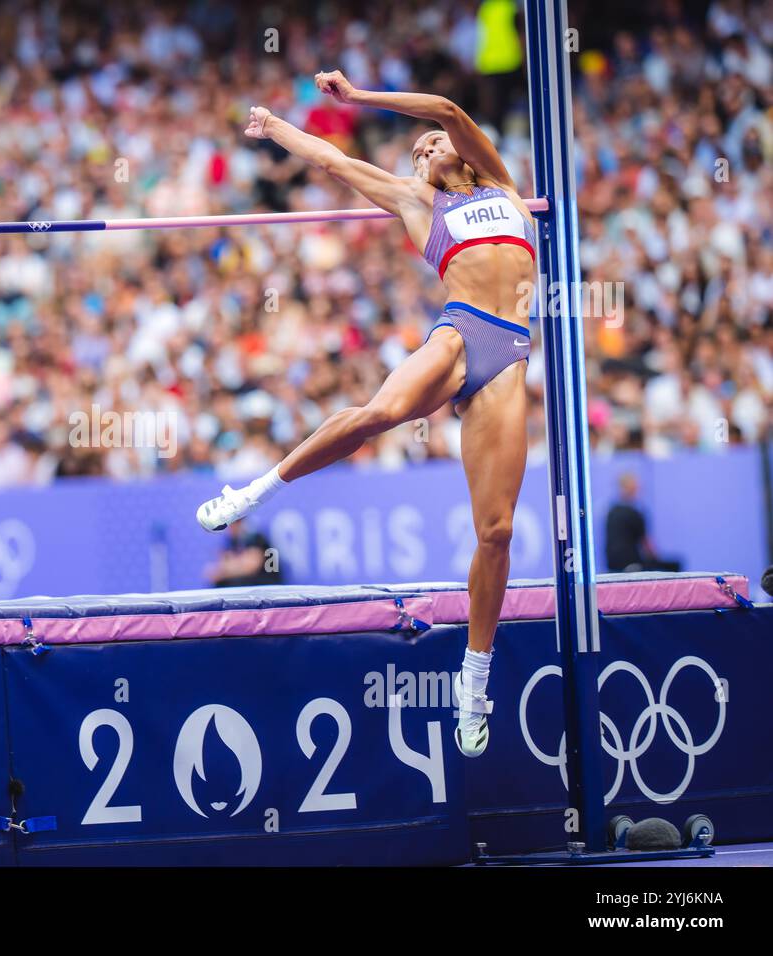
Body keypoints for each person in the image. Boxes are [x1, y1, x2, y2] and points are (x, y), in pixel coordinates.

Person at [198, 69, 538, 758]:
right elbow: (334, 160)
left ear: (462, 149)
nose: (421, 152)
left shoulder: (502, 182)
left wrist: (356, 99)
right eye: (413, 151)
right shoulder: (418, 203)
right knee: (380, 411)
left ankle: (474, 681)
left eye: (431, 145)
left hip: (509, 352)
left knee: (496, 530)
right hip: (459, 330)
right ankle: (257, 491)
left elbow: (446, 105)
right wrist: (277, 127)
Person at [604, 473, 681, 573]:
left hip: (613, 565)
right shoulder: (634, 513)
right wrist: (656, 560)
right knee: (674, 566)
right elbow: (647, 545)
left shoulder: (611, 512)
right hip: (632, 564)